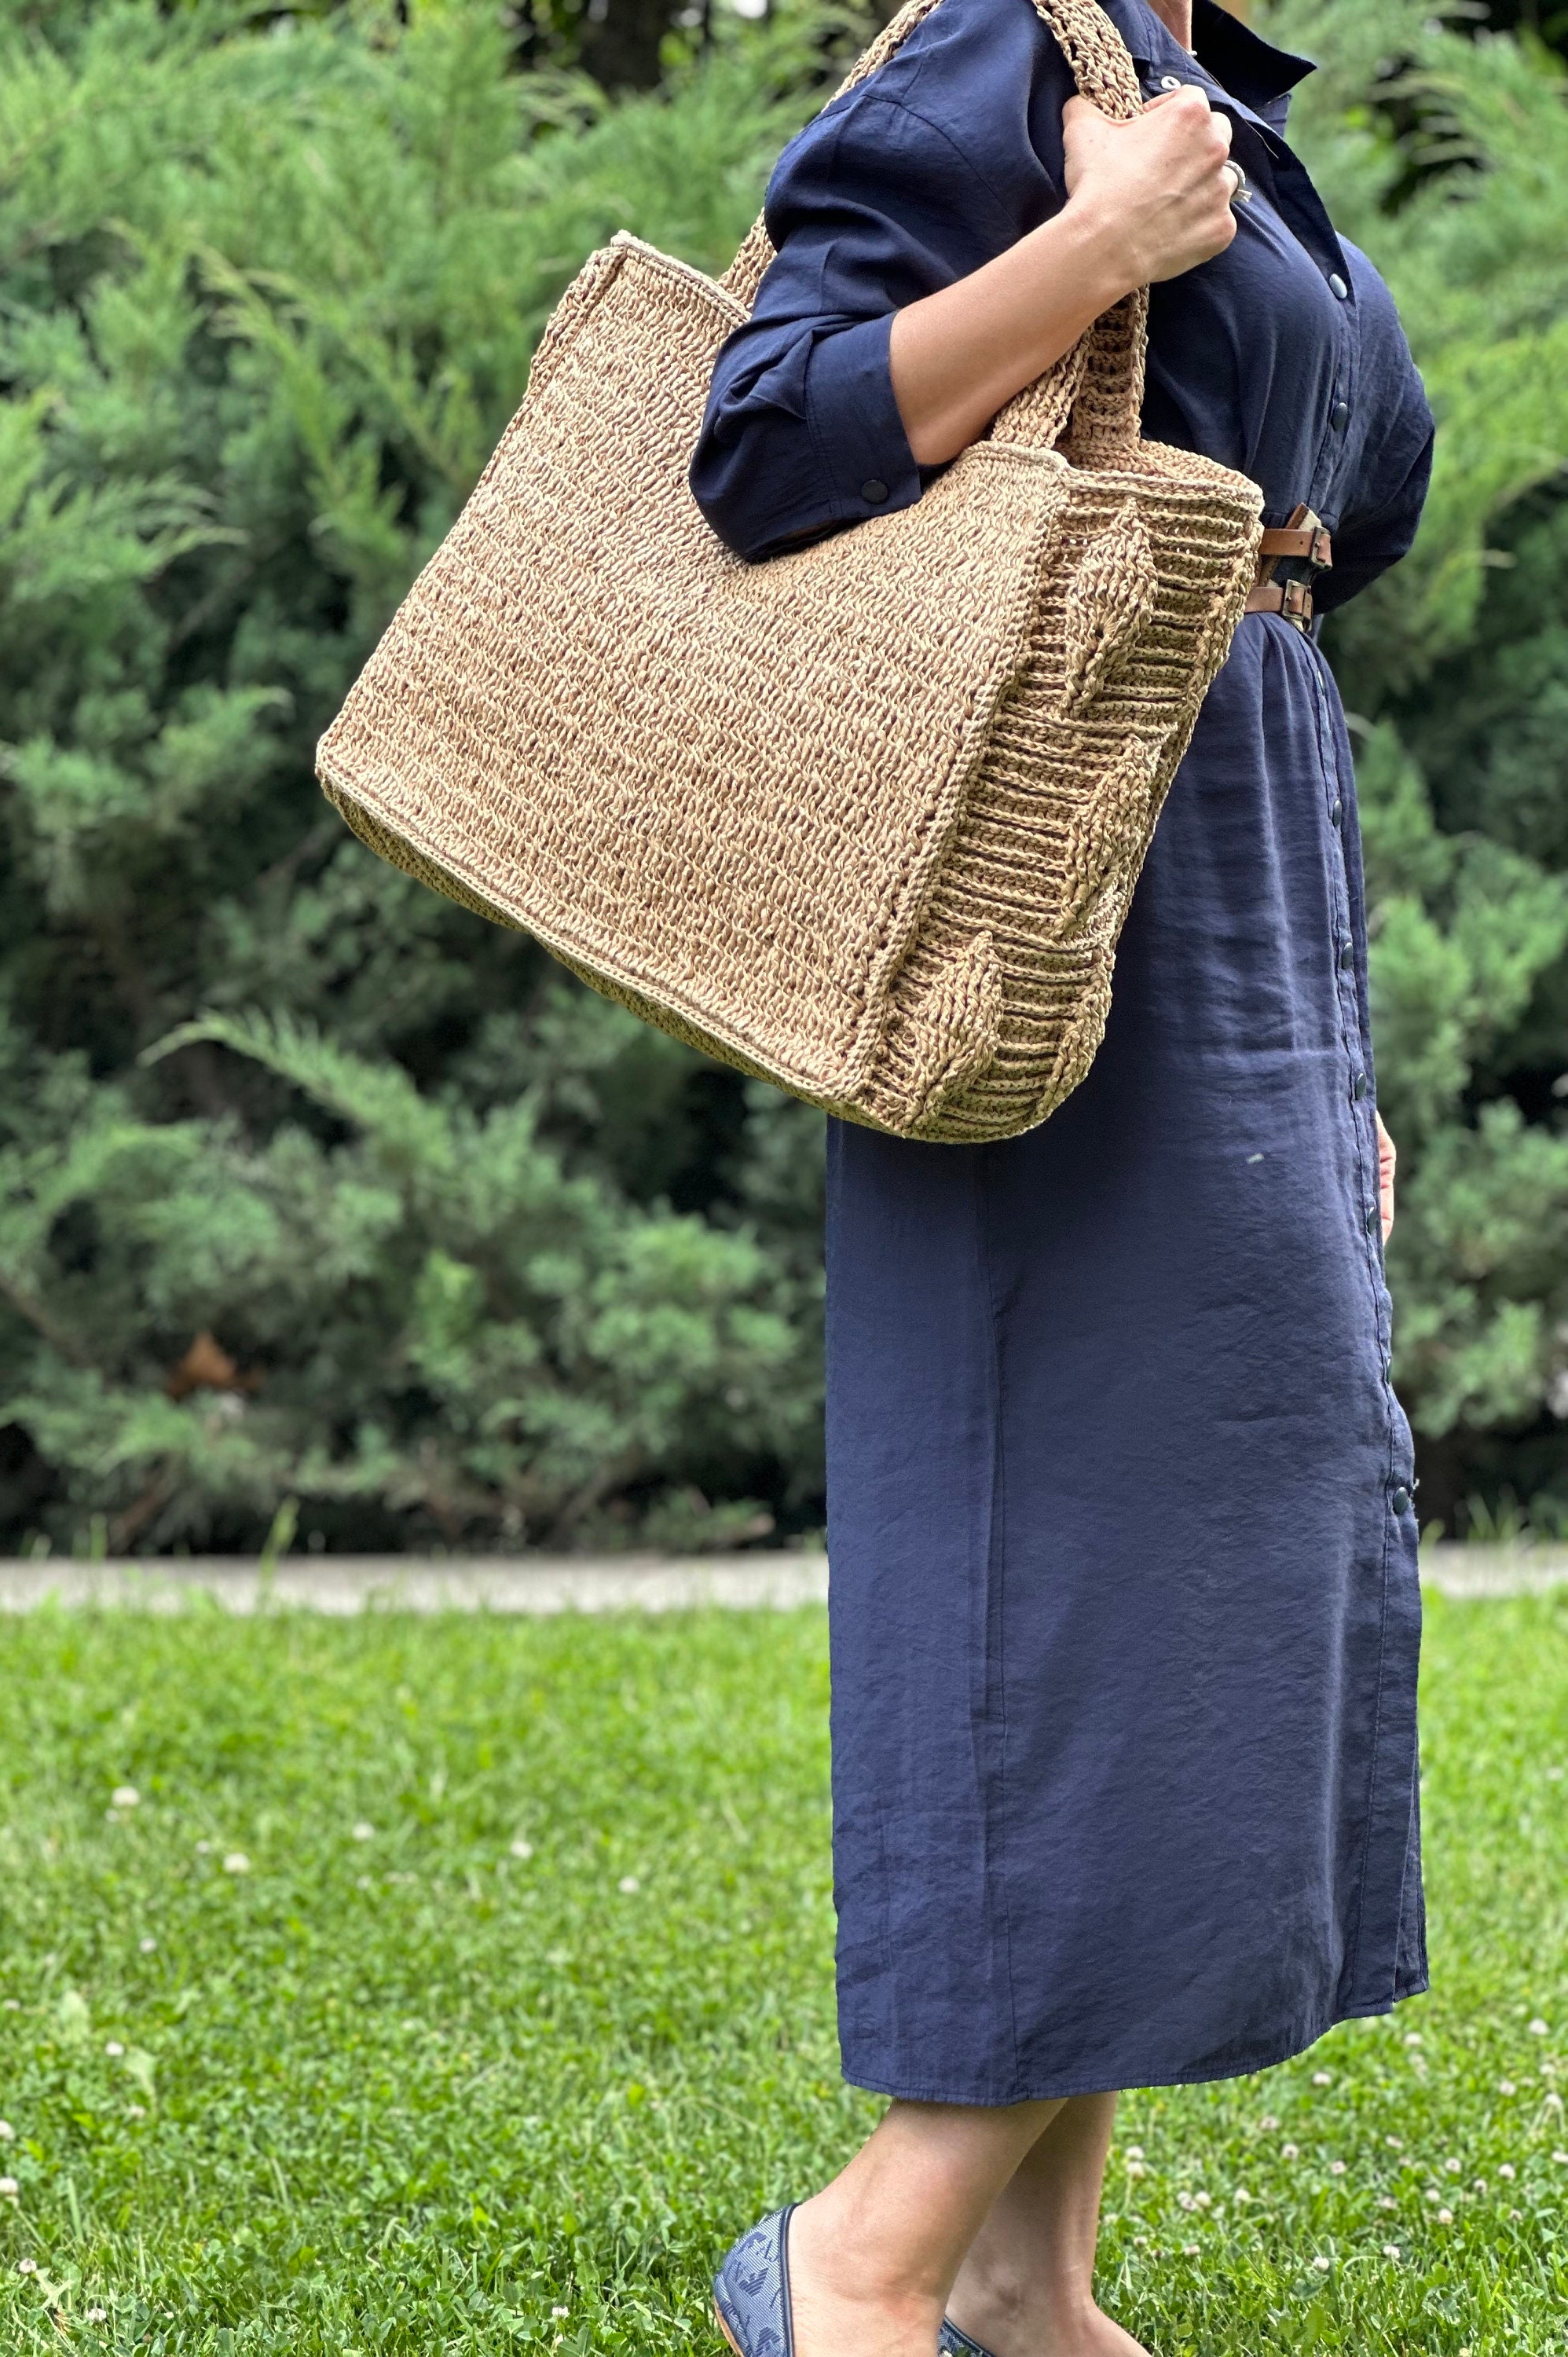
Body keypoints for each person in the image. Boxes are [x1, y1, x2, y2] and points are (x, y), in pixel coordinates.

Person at [688, 2, 1433, 2353]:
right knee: (1088, 1553)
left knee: (1210, 1540)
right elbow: (761, 441)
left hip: (1228, 859)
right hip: (1036, 887)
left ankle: (1028, 2274)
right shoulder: (1002, 57)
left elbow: (1300, 570)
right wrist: (1093, 247)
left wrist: (1325, 1048)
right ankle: (862, 2259)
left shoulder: (1227, 103)